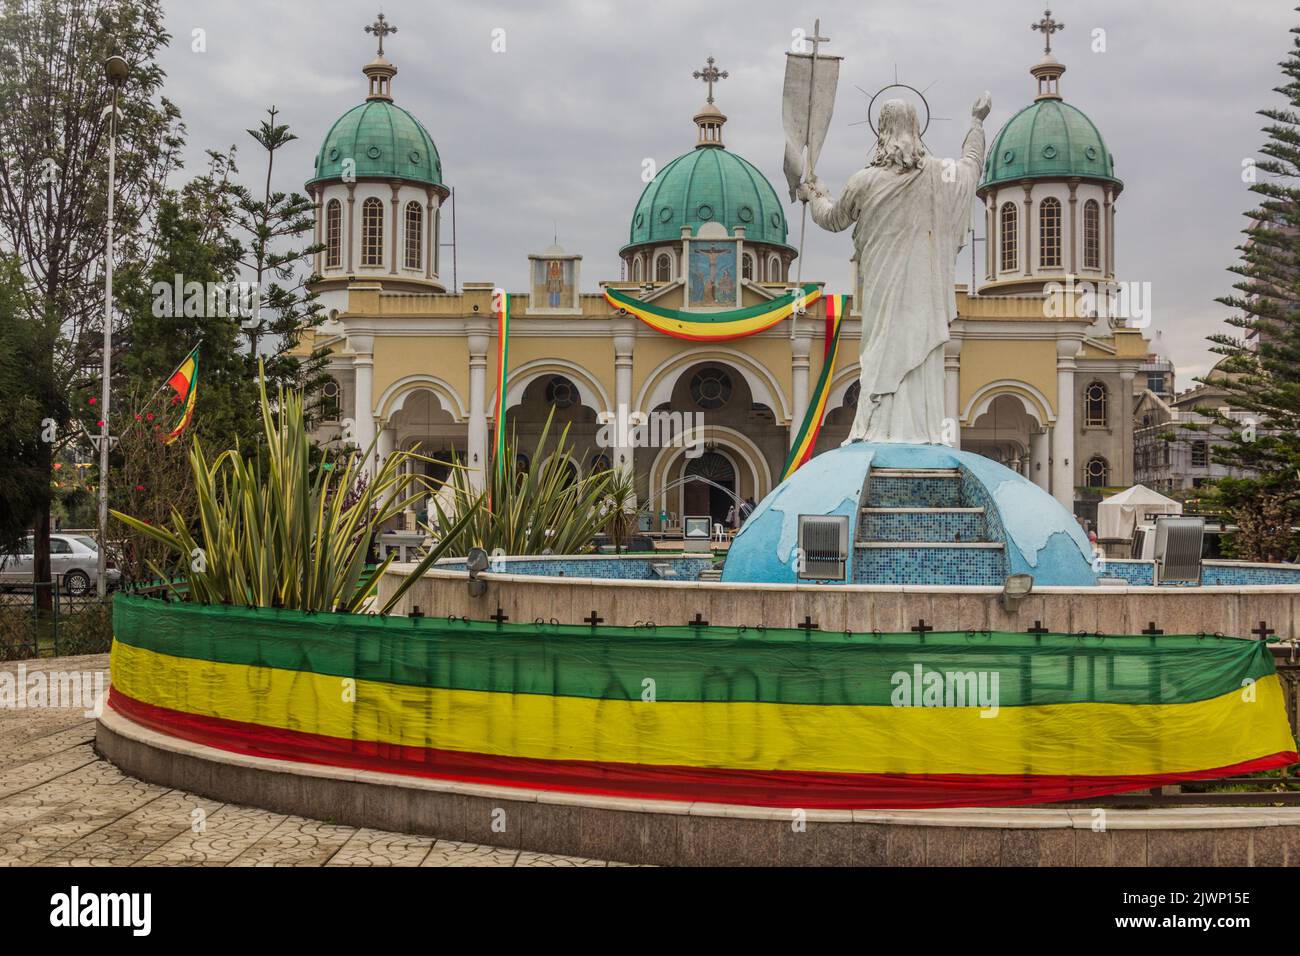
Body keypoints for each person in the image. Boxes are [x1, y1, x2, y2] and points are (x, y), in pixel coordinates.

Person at [798, 92, 991, 445]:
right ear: (917, 129)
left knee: (881, 352)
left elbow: (831, 218)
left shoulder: (863, 180)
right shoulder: (939, 175)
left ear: (881, 131)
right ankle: (923, 432)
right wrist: (977, 123)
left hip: (882, 293)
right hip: (923, 295)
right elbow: (971, 167)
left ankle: (874, 431)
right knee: (919, 351)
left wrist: (813, 193)